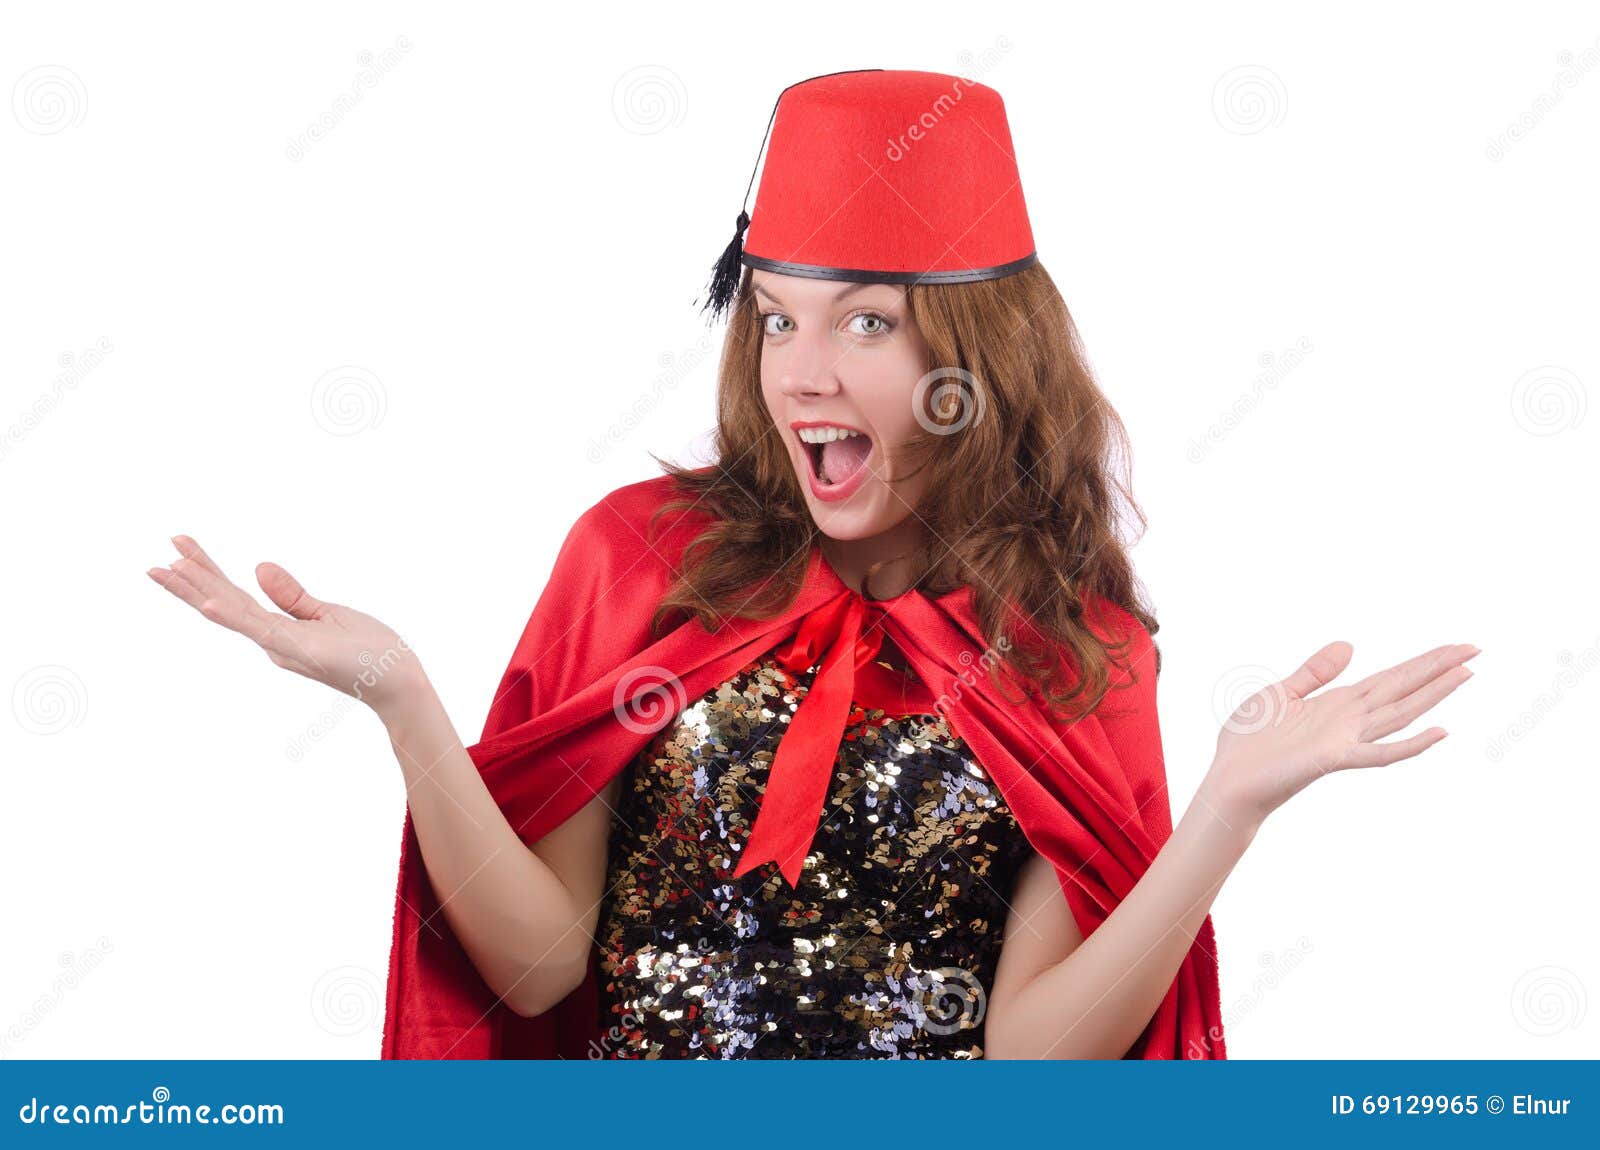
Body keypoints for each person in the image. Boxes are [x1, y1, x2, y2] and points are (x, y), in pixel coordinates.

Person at [147, 70, 1478, 1059]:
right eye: (776, 315)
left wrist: (1223, 818)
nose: (802, 370)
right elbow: (541, 963)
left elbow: (1033, 1060)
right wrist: (404, 701)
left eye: (867, 324)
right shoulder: (637, 560)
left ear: (976, 356)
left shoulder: (1073, 642)